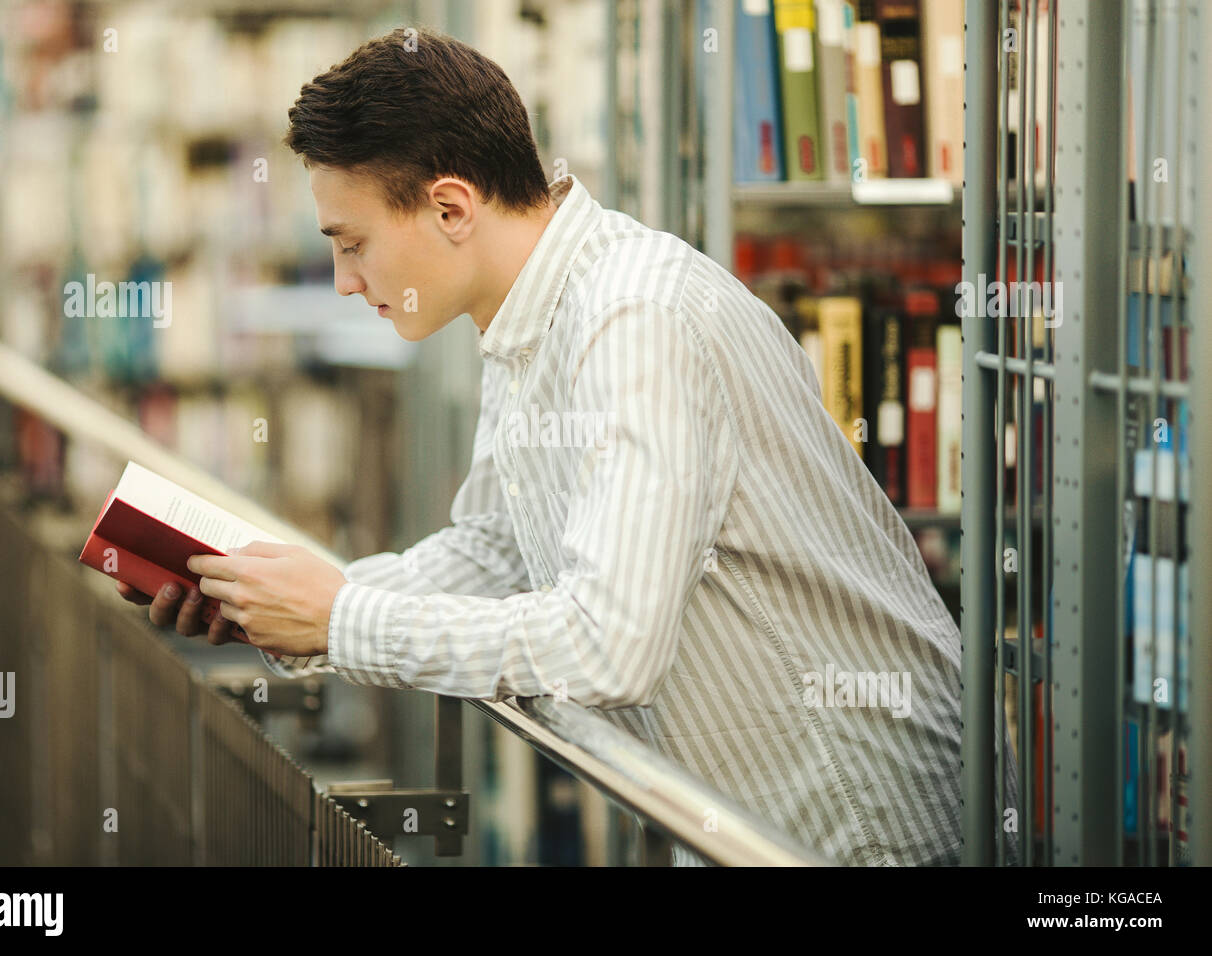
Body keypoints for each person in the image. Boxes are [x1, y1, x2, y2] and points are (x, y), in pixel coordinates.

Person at [120, 26, 1014, 867]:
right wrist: (280, 602)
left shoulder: (633, 319)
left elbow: (610, 645)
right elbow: (496, 549)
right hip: (757, 826)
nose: (347, 282)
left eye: (353, 245)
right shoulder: (524, 319)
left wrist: (343, 619)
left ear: (451, 207)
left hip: (867, 832)